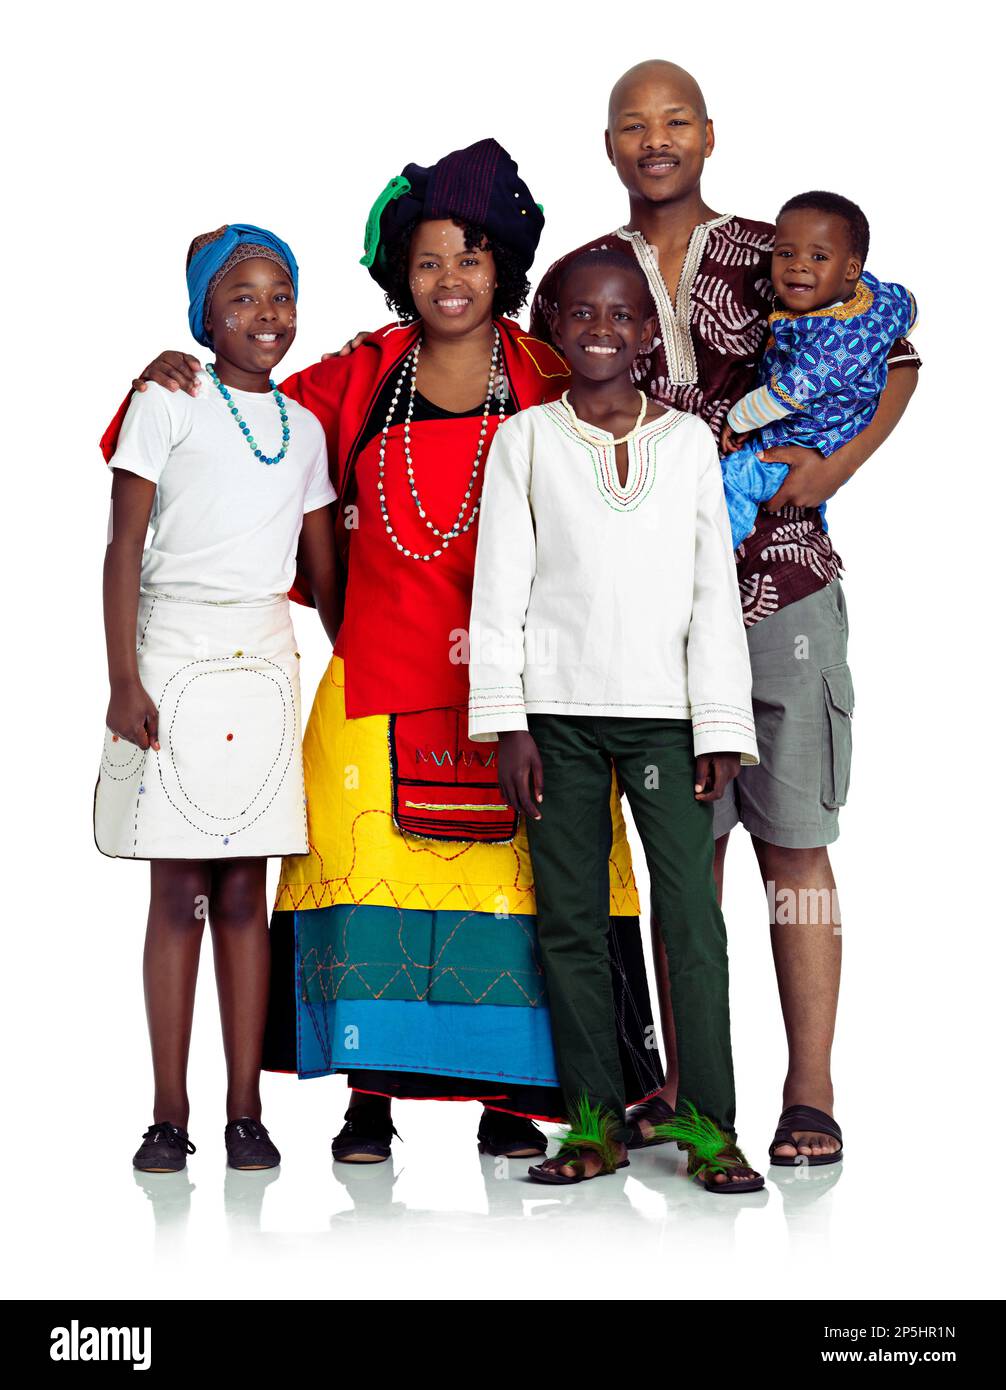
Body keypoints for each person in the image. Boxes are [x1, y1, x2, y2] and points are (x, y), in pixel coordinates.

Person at [100, 142, 664, 1167]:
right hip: (375, 671)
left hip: (520, 682)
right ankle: (371, 1094)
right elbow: (241, 410)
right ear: (402, 272)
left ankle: (516, 1094)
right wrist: (162, 369)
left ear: (504, 274)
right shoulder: (358, 374)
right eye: (430, 262)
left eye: (472, 261)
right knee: (368, 883)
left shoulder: (547, 371)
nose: (451, 281)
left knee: (522, 889)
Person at [530, 60, 921, 1166]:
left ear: (707, 135)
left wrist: (828, 467)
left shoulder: (778, 248)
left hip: (781, 583)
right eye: (632, 125)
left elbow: (893, 359)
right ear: (609, 144)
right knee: (681, 863)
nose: (654, 141)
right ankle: (690, 1089)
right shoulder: (586, 275)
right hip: (649, 612)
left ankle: (810, 1090)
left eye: (675, 122)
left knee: (792, 846)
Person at [468, 248, 763, 1191]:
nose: (602, 330)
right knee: (572, 922)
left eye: (622, 316)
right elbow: (499, 590)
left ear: (649, 333)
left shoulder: (687, 445)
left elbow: (715, 590)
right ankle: (592, 1125)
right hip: (556, 720)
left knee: (692, 922)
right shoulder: (527, 440)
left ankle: (711, 1127)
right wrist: (509, 722)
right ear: (555, 327)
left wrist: (719, 723)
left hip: (666, 722)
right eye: (582, 315)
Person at [95, 224, 340, 1173]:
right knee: (178, 891)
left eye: (280, 294)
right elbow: (124, 548)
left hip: (265, 659)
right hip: (175, 647)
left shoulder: (307, 429)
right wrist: (124, 679)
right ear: (203, 313)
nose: (265, 314)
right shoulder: (168, 402)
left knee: (246, 893)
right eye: (240, 296)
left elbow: (323, 578)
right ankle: (168, 1113)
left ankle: (247, 1111)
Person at [719, 191, 917, 547]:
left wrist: (738, 420)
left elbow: (785, 394)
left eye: (819, 256)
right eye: (785, 254)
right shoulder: (871, 296)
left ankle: (711, 559)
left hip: (796, 441)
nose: (798, 265)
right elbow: (906, 302)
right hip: (823, 435)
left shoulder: (829, 345)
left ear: (850, 269)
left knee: (731, 482)